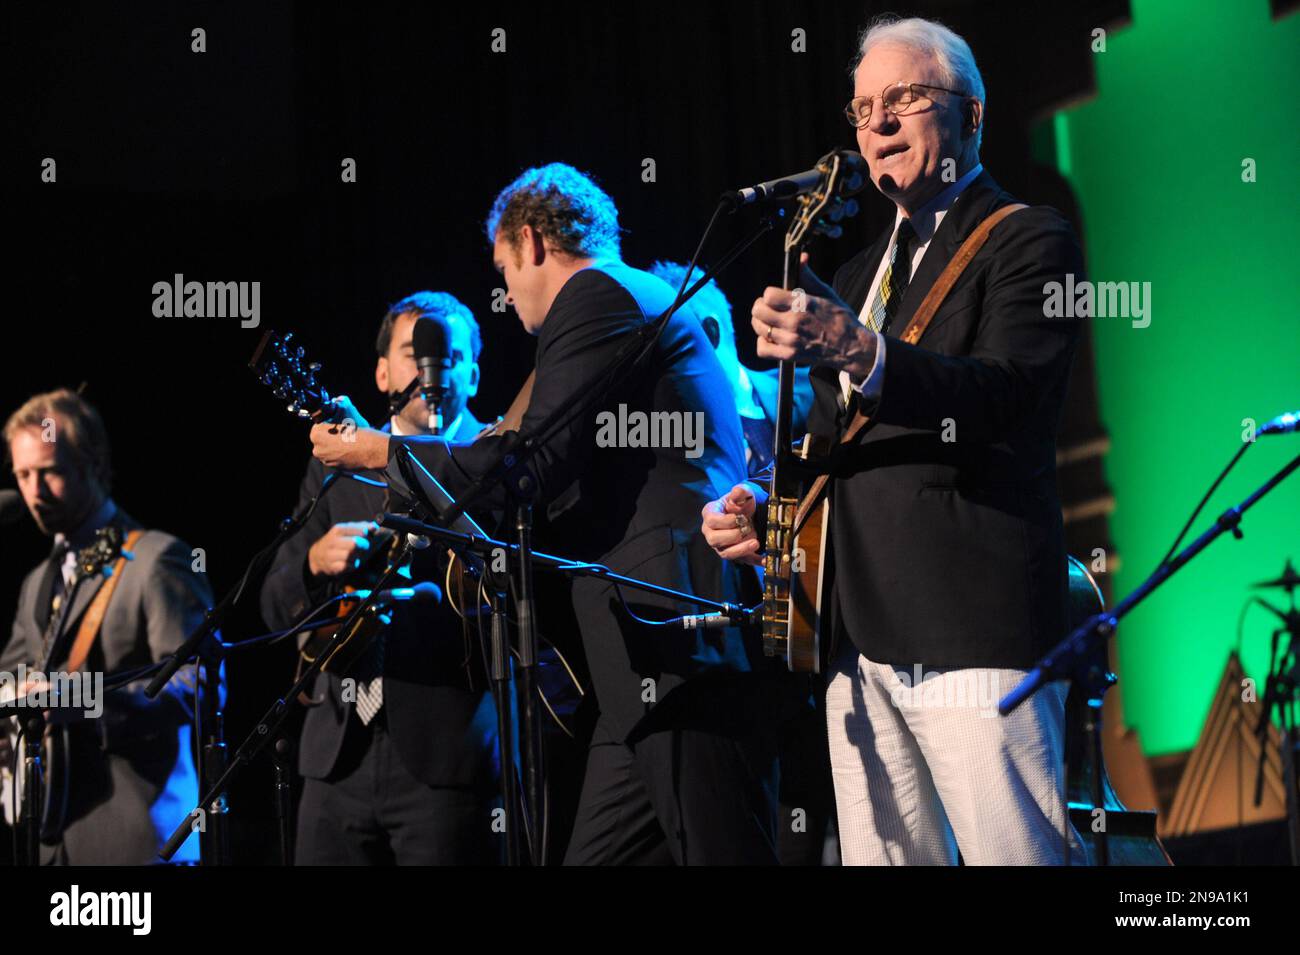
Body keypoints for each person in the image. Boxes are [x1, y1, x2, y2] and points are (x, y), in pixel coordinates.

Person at [311, 163, 801, 865]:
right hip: (640, 657)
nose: (506, 295)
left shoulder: (597, 294)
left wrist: (377, 451)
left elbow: (529, 465)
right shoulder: (629, 300)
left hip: (674, 642)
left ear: (534, 242)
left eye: (504, 269)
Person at [702, 16, 1088, 865]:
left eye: (904, 97)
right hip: (855, 642)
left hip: (972, 633)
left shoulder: (1029, 240)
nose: (877, 123)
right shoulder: (853, 275)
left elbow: (1005, 396)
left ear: (972, 117)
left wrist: (855, 347)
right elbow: (838, 456)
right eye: (862, 106)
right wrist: (764, 510)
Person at [259, 292, 498, 865]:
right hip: (335, 754)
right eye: (415, 353)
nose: (430, 369)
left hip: (447, 756)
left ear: (473, 371)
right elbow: (271, 602)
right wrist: (314, 561)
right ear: (382, 371)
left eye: (448, 355)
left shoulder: (492, 457)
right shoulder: (333, 463)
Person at [0, 388, 210, 864]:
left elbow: (201, 685)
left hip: (136, 837)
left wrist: (85, 700)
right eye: (23, 475)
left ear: (92, 465)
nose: (34, 492)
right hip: (51, 837)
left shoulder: (158, 559)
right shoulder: (38, 581)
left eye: (49, 471)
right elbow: (9, 677)